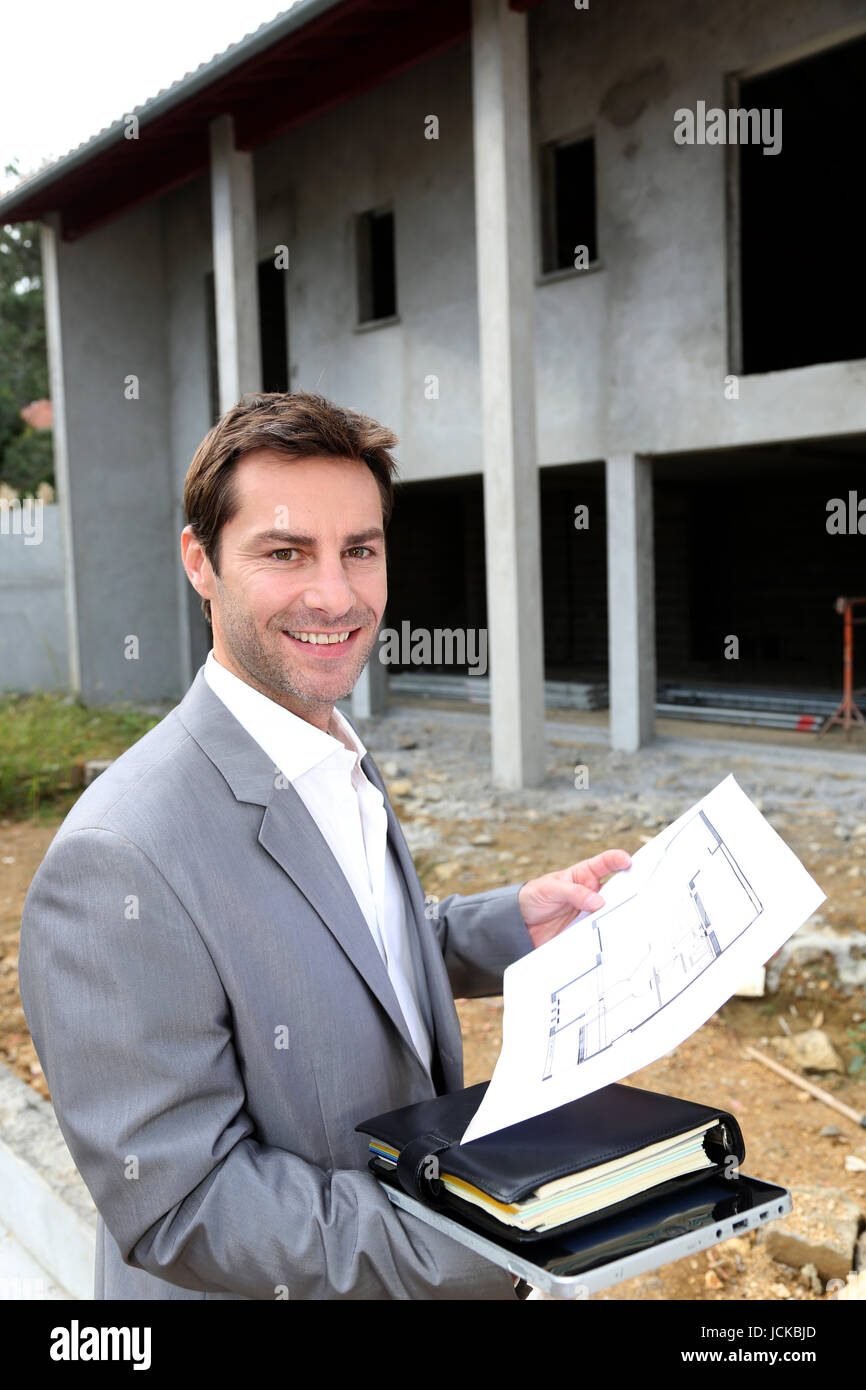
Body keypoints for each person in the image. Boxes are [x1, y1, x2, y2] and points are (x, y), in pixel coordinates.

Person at [18, 391, 630, 1300]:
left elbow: (337, 934)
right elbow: (184, 1205)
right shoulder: (116, 860)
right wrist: (489, 1239)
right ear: (202, 563)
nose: (336, 595)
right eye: (284, 552)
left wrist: (506, 927)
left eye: (360, 551)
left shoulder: (328, 748)